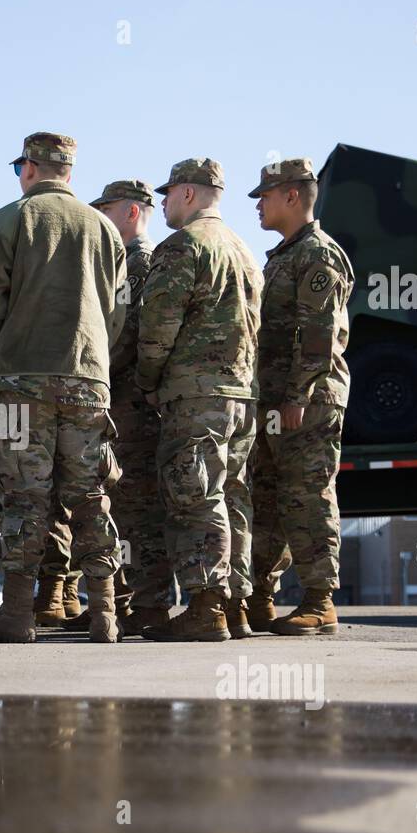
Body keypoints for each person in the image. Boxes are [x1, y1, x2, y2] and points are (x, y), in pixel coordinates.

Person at [0, 132, 127, 643]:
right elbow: (117, 312)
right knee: (90, 493)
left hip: (23, 376)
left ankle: (17, 613)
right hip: (88, 375)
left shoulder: (8, 220)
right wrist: (95, 358)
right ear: (70, 172)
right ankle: (104, 613)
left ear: (30, 168)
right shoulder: (105, 229)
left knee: (23, 495)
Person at [136, 158, 263, 642]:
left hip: (195, 393)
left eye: (169, 193)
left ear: (189, 194)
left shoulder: (182, 247)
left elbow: (157, 328)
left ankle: (205, 606)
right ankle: (235, 607)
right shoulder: (245, 251)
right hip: (241, 393)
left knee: (195, 494)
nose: (164, 202)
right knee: (232, 495)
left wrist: (149, 380)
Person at [247, 157, 353, 635]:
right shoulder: (284, 254)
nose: (259, 205)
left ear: (293, 196)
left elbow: (319, 335)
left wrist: (296, 396)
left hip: (307, 400)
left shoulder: (319, 255)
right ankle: (260, 597)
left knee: (308, 495)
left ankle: (320, 599)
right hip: (276, 399)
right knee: (267, 497)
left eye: (265, 196)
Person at [89, 178, 173, 636]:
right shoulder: (121, 262)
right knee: (118, 504)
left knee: (139, 506)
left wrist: (91, 368)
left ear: (133, 212)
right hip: (119, 401)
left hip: (133, 404)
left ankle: (152, 603)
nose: (99, 216)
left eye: (107, 208)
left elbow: (130, 336)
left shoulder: (140, 263)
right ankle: (122, 600)